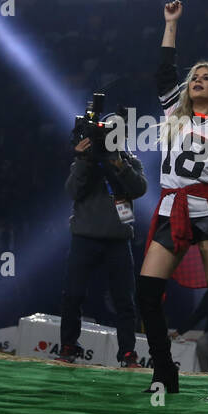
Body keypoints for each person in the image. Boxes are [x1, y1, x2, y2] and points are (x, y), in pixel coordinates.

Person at [136, 0, 208, 396]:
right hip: (171, 207)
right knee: (147, 291)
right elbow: (164, 73)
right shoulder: (173, 116)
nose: (197, 79)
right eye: (194, 76)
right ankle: (165, 370)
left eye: (206, 77)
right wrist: (171, 25)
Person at [59, 115, 148, 367]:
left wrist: (119, 163)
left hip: (118, 239)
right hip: (85, 236)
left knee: (125, 299)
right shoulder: (85, 160)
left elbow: (140, 189)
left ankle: (128, 352)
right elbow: (72, 191)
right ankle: (68, 345)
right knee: (73, 295)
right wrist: (83, 159)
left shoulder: (128, 161)